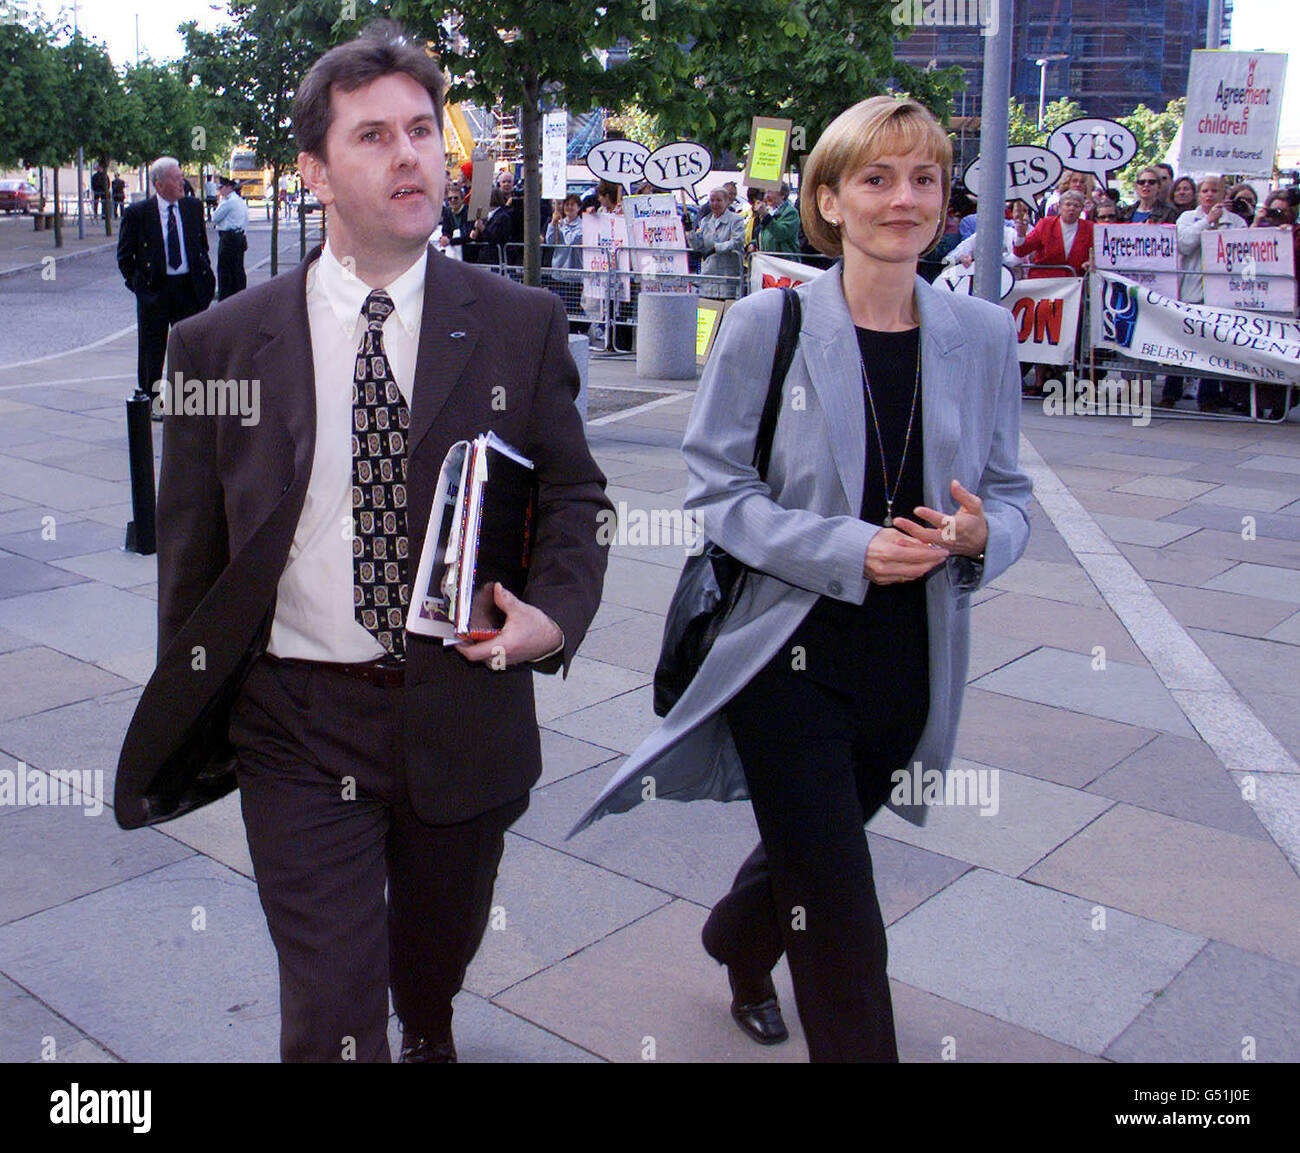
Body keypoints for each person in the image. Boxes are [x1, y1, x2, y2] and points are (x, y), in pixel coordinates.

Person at [113, 20, 611, 1064]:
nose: (410, 156)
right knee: (334, 1009)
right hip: (297, 721)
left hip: (462, 706)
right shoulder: (217, 345)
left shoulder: (520, 322)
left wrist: (553, 613)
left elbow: (574, 496)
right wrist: (196, 705)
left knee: (432, 960)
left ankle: (428, 1022)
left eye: (423, 132)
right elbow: (191, 557)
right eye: (374, 136)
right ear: (314, 171)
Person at [570, 94, 1032, 1063]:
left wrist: (985, 533)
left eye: (924, 179)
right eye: (876, 178)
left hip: (910, 663)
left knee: (810, 856)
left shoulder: (983, 335)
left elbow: (1011, 493)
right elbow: (717, 491)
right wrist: (845, 547)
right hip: (784, 655)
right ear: (828, 197)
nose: (903, 199)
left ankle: (736, 939)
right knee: (843, 910)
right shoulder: (762, 322)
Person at [116, 155, 215, 405]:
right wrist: (140, 287)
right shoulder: (138, 214)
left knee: (189, 346)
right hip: (156, 290)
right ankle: (151, 400)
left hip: (188, 289)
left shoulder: (193, 208)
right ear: (159, 185)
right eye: (176, 179)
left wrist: (205, 279)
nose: (182, 183)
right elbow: (125, 257)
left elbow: (201, 246)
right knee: (152, 349)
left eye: (182, 177)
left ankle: (187, 399)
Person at [1176, 175, 1247, 411]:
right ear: (1199, 194)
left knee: (1214, 347)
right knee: (1182, 344)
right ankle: (1171, 391)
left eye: (1214, 191)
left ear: (1223, 194)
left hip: (1221, 293)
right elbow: (1185, 244)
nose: (1209, 195)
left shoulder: (1236, 222)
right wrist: (1207, 221)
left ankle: (1207, 397)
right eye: (1205, 190)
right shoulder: (1188, 217)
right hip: (1193, 289)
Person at [1013, 189, 1093, 277]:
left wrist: (1091, 262)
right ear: (1060, 206)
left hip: (1075, 281)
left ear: (1082, 209)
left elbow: (1096, 253)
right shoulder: (1045, 224)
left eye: (1076, 206)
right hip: (1045, 280)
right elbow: (1020, 251)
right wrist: (1020, 235)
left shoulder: (1090, 228)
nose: (1072, 208)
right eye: (1068, 204)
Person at [687, 186, 746, 296]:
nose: (715, 204)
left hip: (728, 274)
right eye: (712, 200)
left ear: (727, 201)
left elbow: (737, 241)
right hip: (709, 274)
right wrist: (689, 232)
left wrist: (716, 248)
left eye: (719, 200)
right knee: (709, 308)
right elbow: (699, 246)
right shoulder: (706, 221)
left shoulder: (736, 220)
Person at [212, 177, 248, 300]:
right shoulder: (239, 201)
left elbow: (215, 218)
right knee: (237, 269)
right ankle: (239, 296)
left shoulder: (228, 202)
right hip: (239, 236)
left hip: (228, 238)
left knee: (225, 271)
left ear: (228, 187)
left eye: (221, 188)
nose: (219, 191)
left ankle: (226, 298)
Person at [750, 184, 800, 254]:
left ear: (782, 195)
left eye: (770, 192)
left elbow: (781, 234)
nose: (767, 196)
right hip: (768, 260)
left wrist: (765, 216)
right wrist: (754, 243)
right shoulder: (769, 211)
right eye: (766, 192)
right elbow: (765, 234)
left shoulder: (790, 212)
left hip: (784, 261)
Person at [467, 186, 512, 264]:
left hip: (495, 259)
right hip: (484, 258)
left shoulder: (502, 217)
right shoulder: (485, 216)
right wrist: (476, 233)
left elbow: (495, 238)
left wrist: (483, 229)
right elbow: (482, 239)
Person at [437, 181, 469, 256]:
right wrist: (445, 238)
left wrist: (450, 241)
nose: (453, 200)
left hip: (467, 250)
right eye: (450, 198)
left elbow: (467, 235)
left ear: (462, 199)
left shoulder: (468, 211)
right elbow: (445, 230)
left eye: (456, 198)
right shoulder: (447, 211)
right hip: (452, 249)